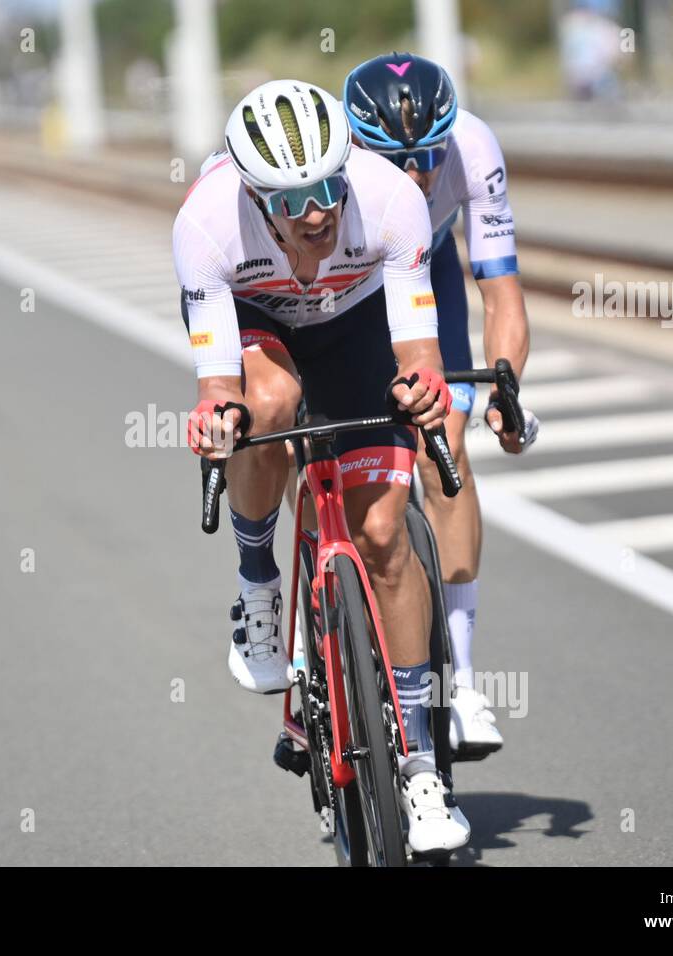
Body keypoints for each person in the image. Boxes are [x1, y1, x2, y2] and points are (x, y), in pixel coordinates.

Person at [174, 79, 469, 853]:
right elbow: (217, 386)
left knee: (383, 536)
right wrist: (218, 418)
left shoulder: (391, 201)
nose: (317, 211)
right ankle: (257, 586)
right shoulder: (206, 224)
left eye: (330, 185)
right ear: (251, 194)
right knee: (263, 407)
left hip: (358, 320)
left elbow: (417, 354)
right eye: (293, 197)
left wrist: (424, 395)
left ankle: (418, 764)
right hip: (257, 320)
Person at [343, 52, 539, 759]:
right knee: (323, 451)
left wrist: (506, 387)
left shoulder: (474, 148)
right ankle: (315, 633)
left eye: (429, 155)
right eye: (397, 160)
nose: (417, 174)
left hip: (427, 277)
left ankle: (462, 684)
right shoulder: (333, 162)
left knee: (444, 448)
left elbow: (503, 295)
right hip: (346, 289)